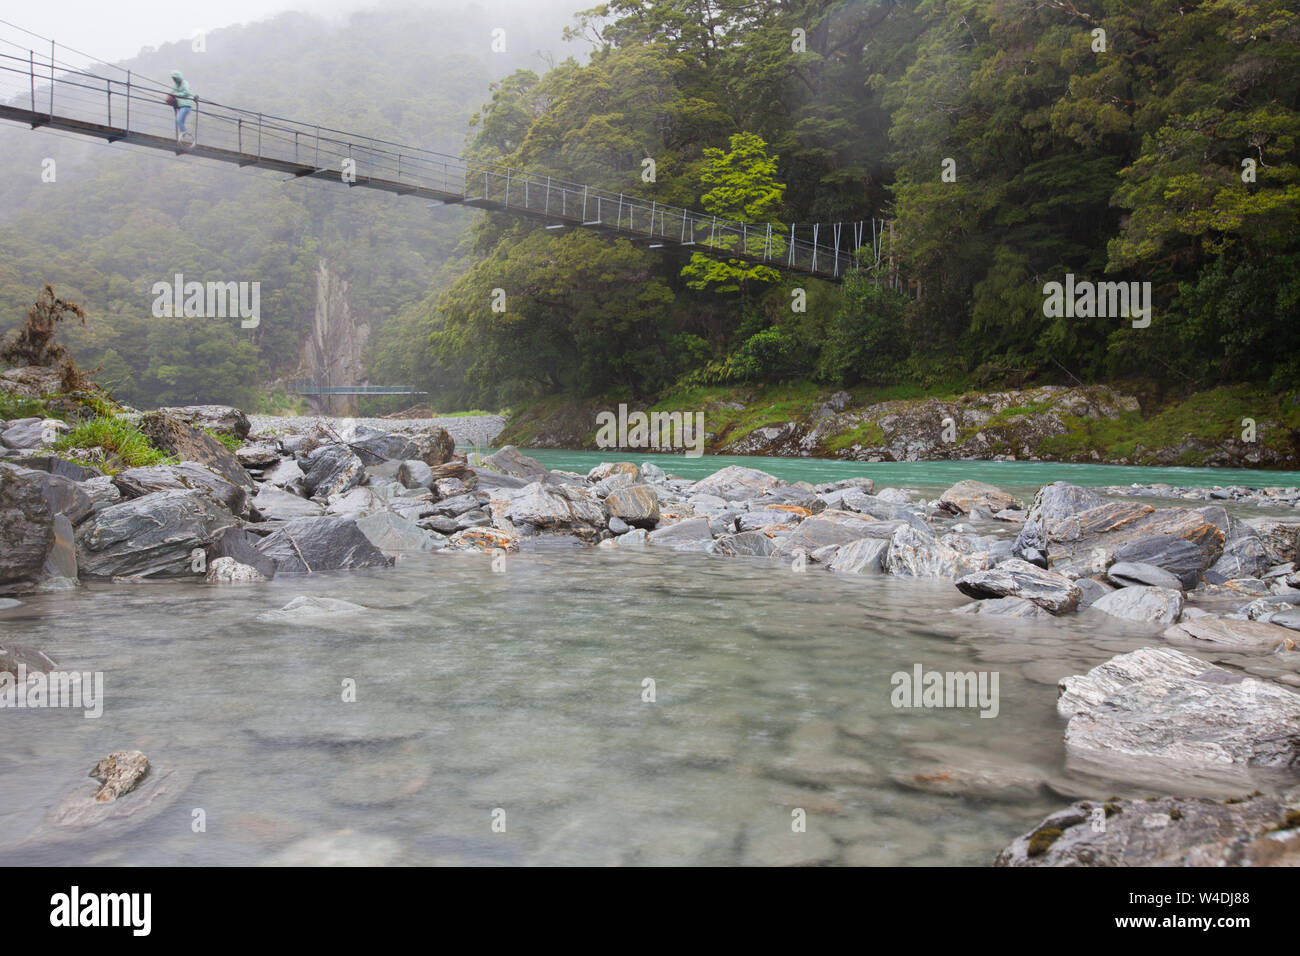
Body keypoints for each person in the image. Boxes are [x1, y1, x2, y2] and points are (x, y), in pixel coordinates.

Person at [169, 71, 195, 142]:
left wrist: (177, 94)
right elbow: (174, 92)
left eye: (175, 78)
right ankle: (184, 138)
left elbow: (187, 92)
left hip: (186, 105)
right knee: (181, 122)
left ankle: (185, 136)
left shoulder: (184, 83)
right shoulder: (176, 85)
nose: (174, 80)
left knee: (178, 120)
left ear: (178, 77)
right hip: (180, 106)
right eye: (173, 78)